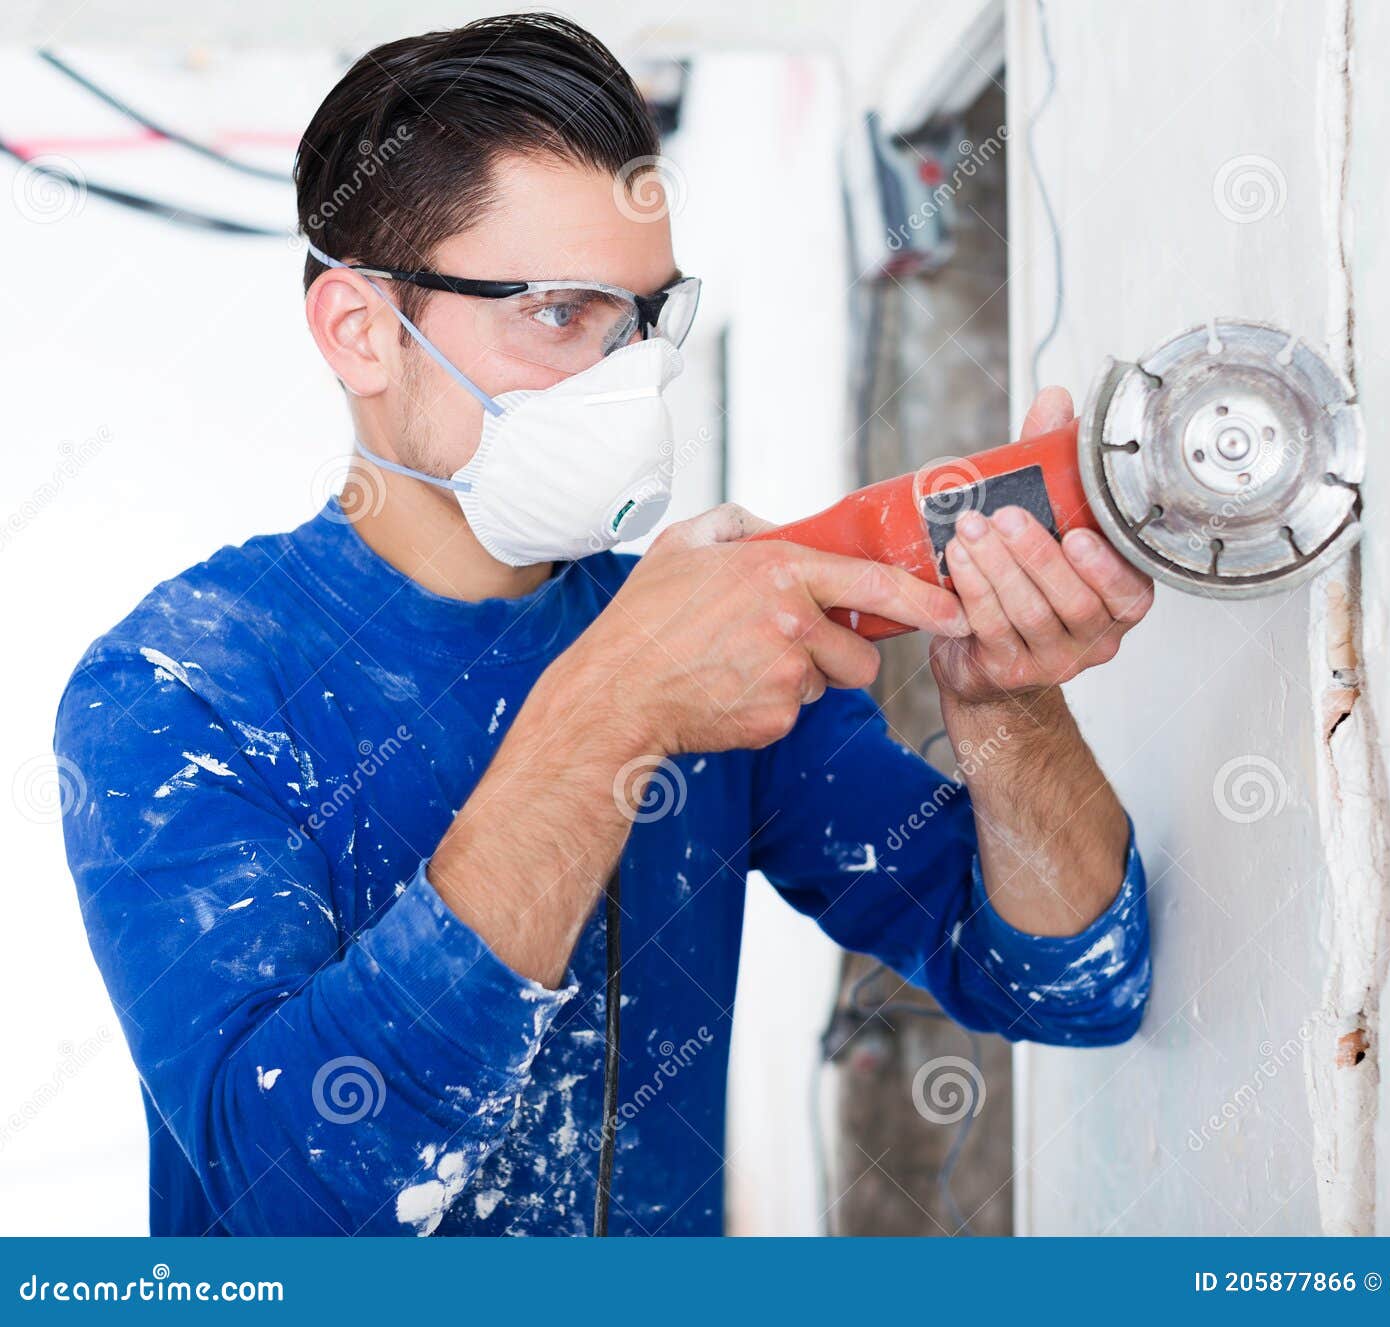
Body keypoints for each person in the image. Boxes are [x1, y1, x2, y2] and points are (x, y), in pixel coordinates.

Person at [55, 12, 1154, 1237]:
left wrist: (1007, 709)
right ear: (362, 330)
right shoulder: (181, 690)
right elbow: (294, 1201)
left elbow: (1066, 986)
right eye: (557, 313)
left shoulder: (702, 639)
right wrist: (614, 705)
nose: (627, 377)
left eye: (642, 317)